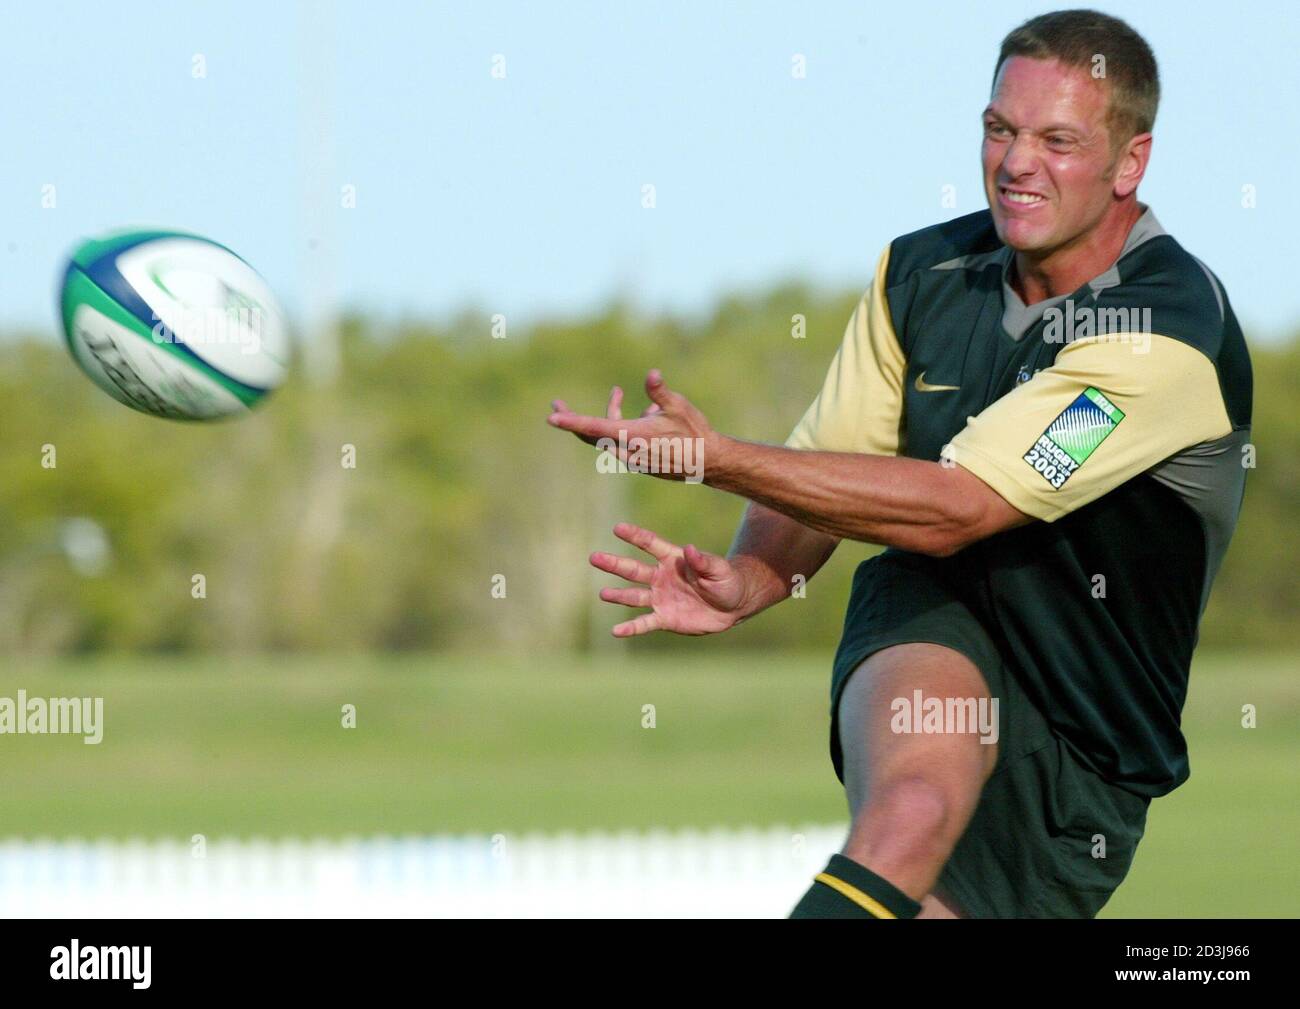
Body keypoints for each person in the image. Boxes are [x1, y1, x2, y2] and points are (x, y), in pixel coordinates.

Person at [547, 9, 1252, 918]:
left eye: (1057, 140)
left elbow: (964, 504)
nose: (1016, 162)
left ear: (1130, 162)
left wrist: (716, 458)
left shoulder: (1165, 333)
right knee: (912, 808)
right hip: (937, 608)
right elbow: (833, 467)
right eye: (999, 129)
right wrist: (755, 575)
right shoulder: (917, 273)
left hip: (1092, 732)